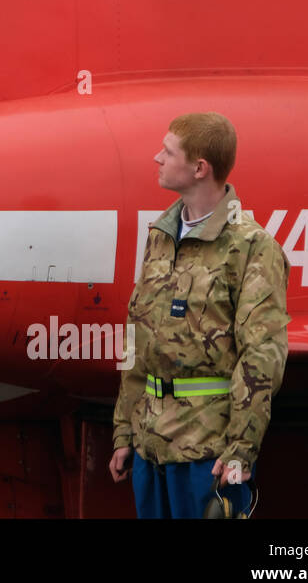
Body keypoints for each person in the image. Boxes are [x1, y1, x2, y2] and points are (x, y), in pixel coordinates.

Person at [108, 112, 289, 518]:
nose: (157, 157)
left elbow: (262, 357)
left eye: (168, 151)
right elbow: (138, 339)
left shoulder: (251, 247)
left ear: (199, 168)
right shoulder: (161, 236)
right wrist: (124, 432)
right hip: (150, 449)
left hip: (209, 456)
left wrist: (241, 449)